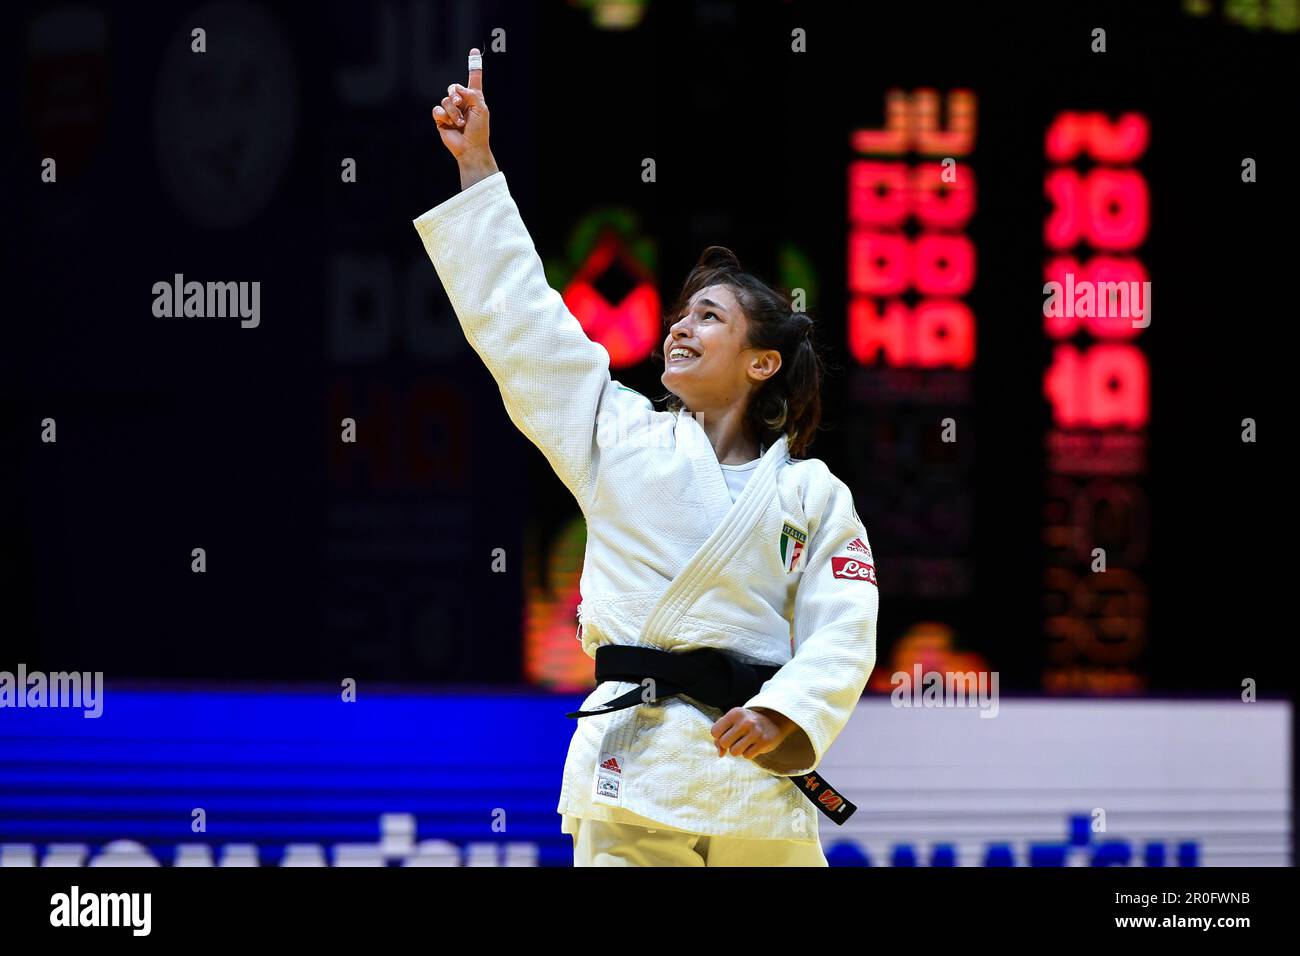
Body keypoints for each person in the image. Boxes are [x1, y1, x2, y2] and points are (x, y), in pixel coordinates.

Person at [414, 49, 879, 867]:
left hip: (757, 787)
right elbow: (525, 327)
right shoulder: (619, 437)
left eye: (708, 317)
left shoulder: (812, 494)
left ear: (762, 361)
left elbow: (845, 630)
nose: (680, 328)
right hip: (635, 773)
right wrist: (480, 168)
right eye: (680, 315)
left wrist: (789, 715)